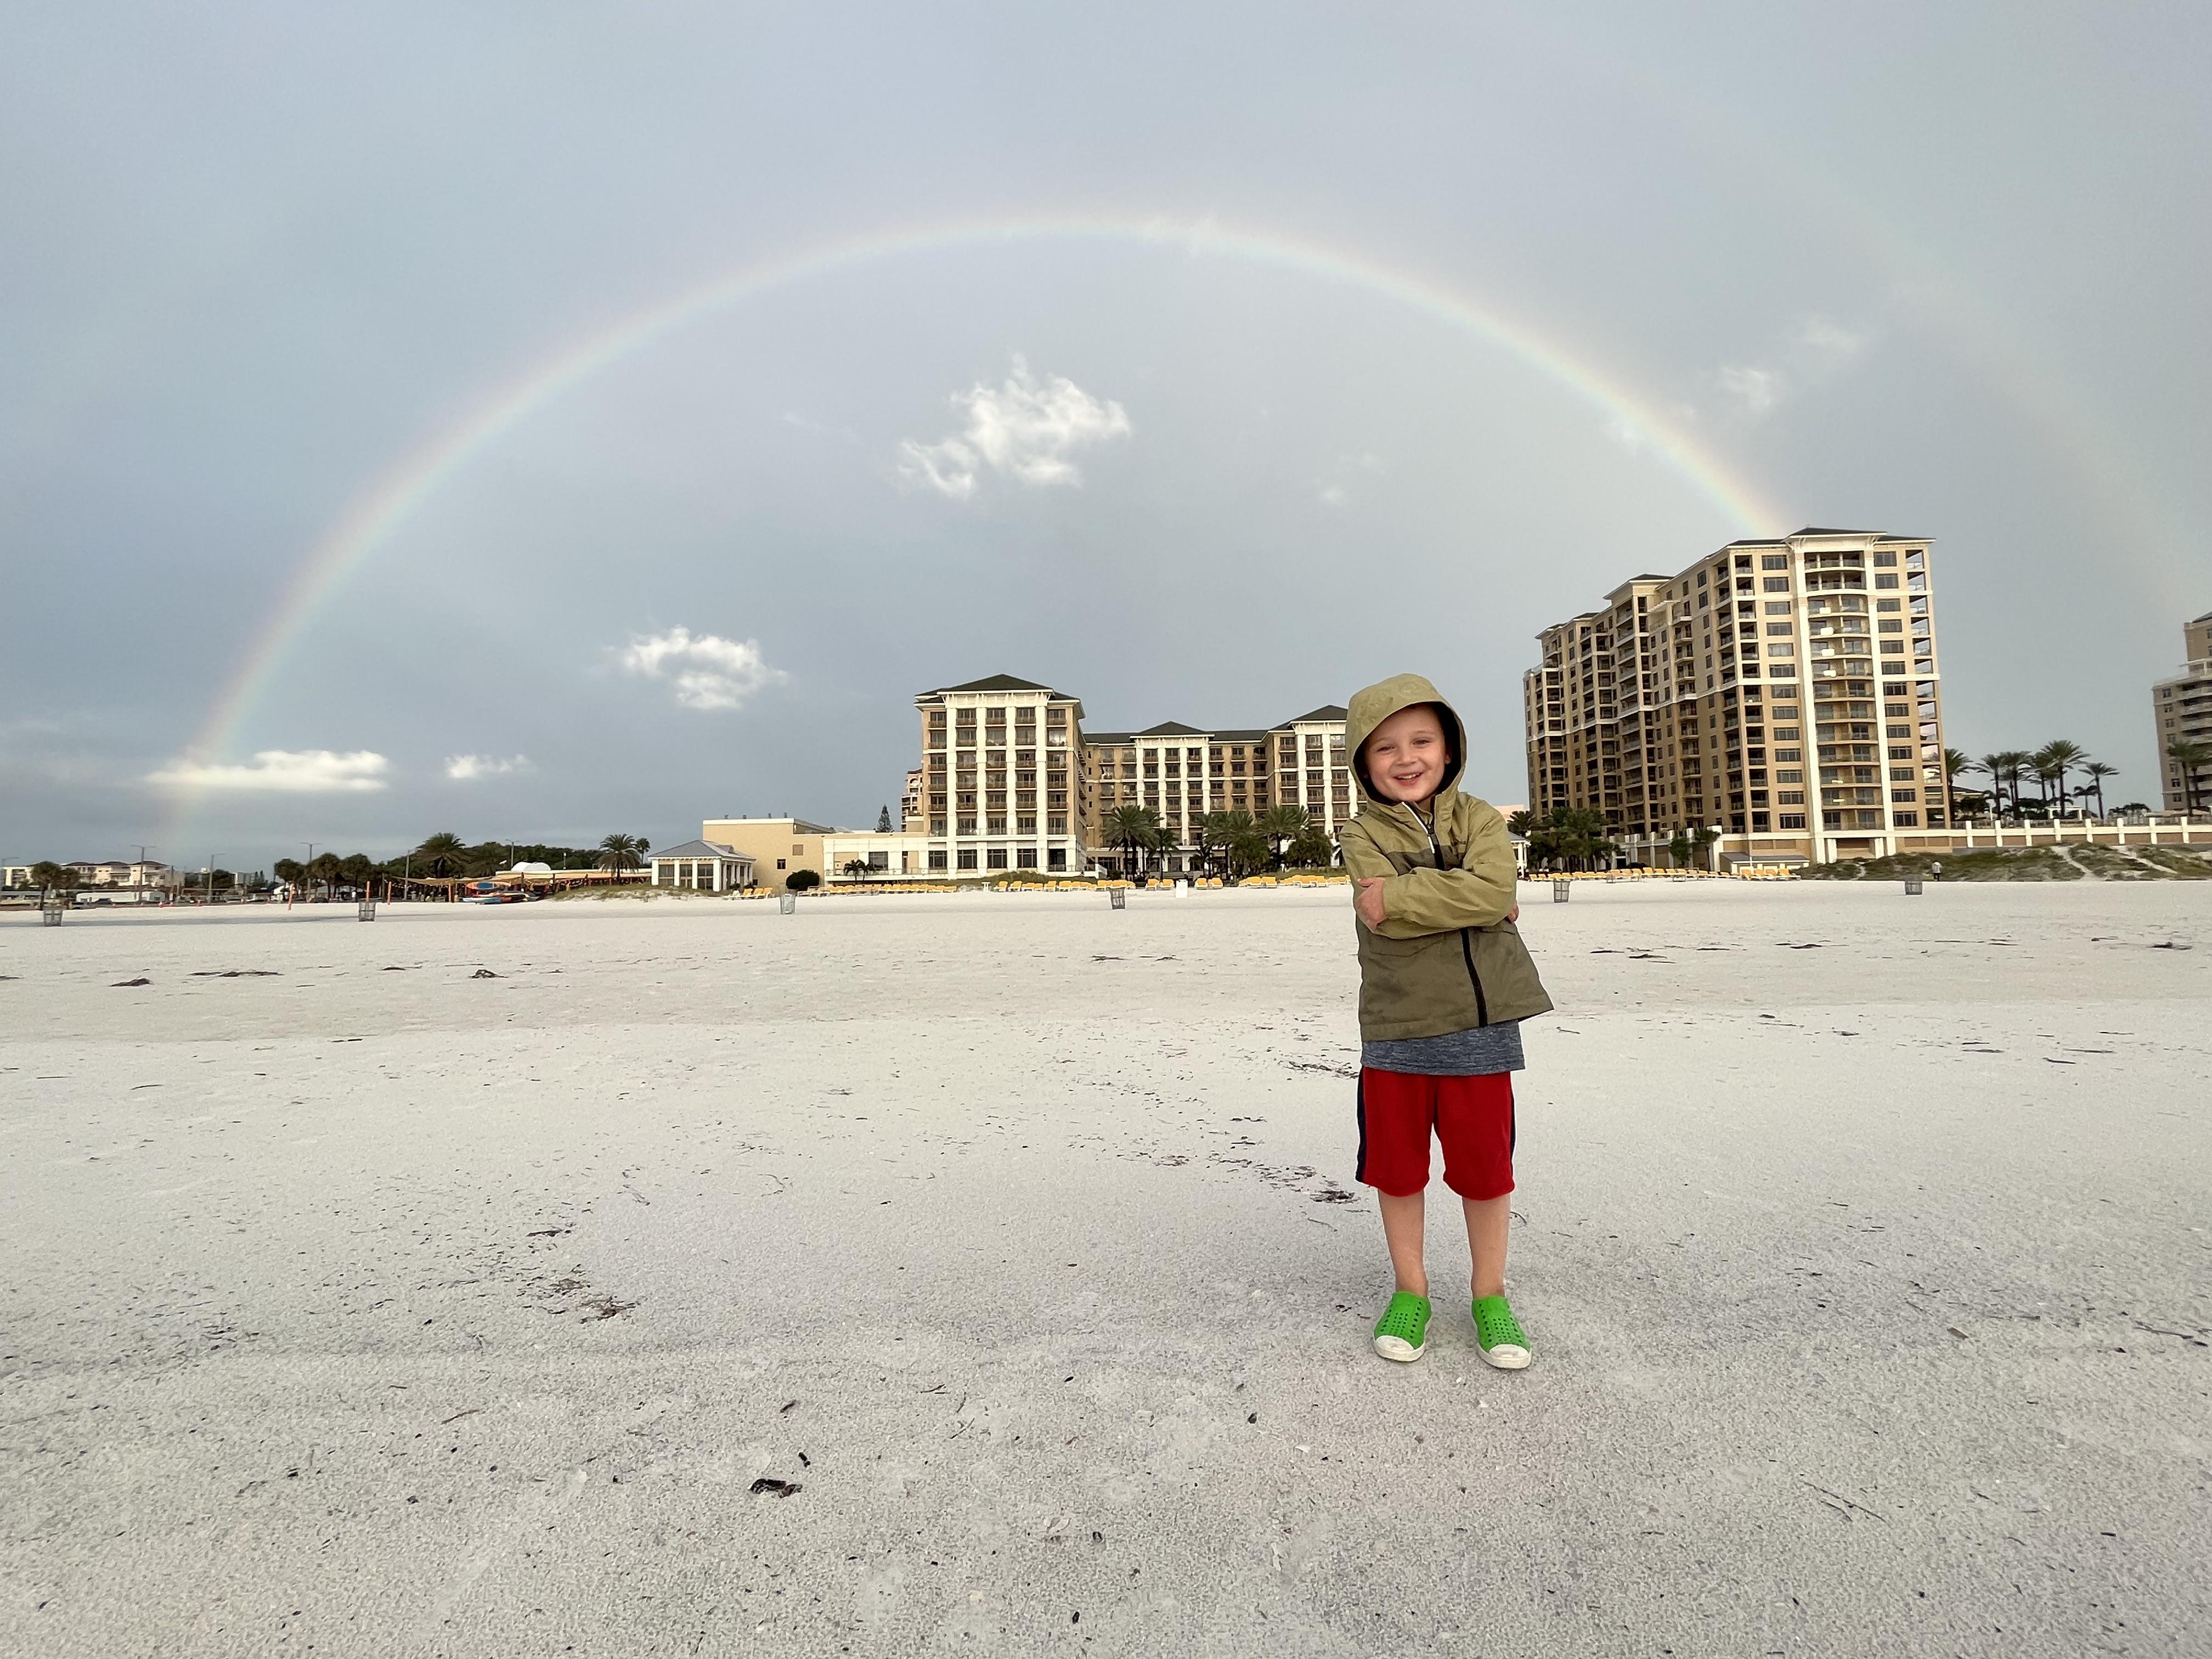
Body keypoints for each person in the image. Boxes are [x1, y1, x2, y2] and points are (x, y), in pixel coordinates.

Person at [1337, 674, 1554, 1368]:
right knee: (1398, 1172)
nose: (1406, 758)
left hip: (1482, 1030)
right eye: (1385, 747)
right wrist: (1472, 900)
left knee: (1486, 1173)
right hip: (1397, 1031)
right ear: (1364, 764)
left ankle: (1490, 1296)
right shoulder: (1360, 833)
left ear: (1450, 747)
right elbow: (1382, 915)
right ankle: (1413, 1290)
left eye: (1422, 740)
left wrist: (1413, 893)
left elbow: (1497, 886)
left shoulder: (1484, 819)